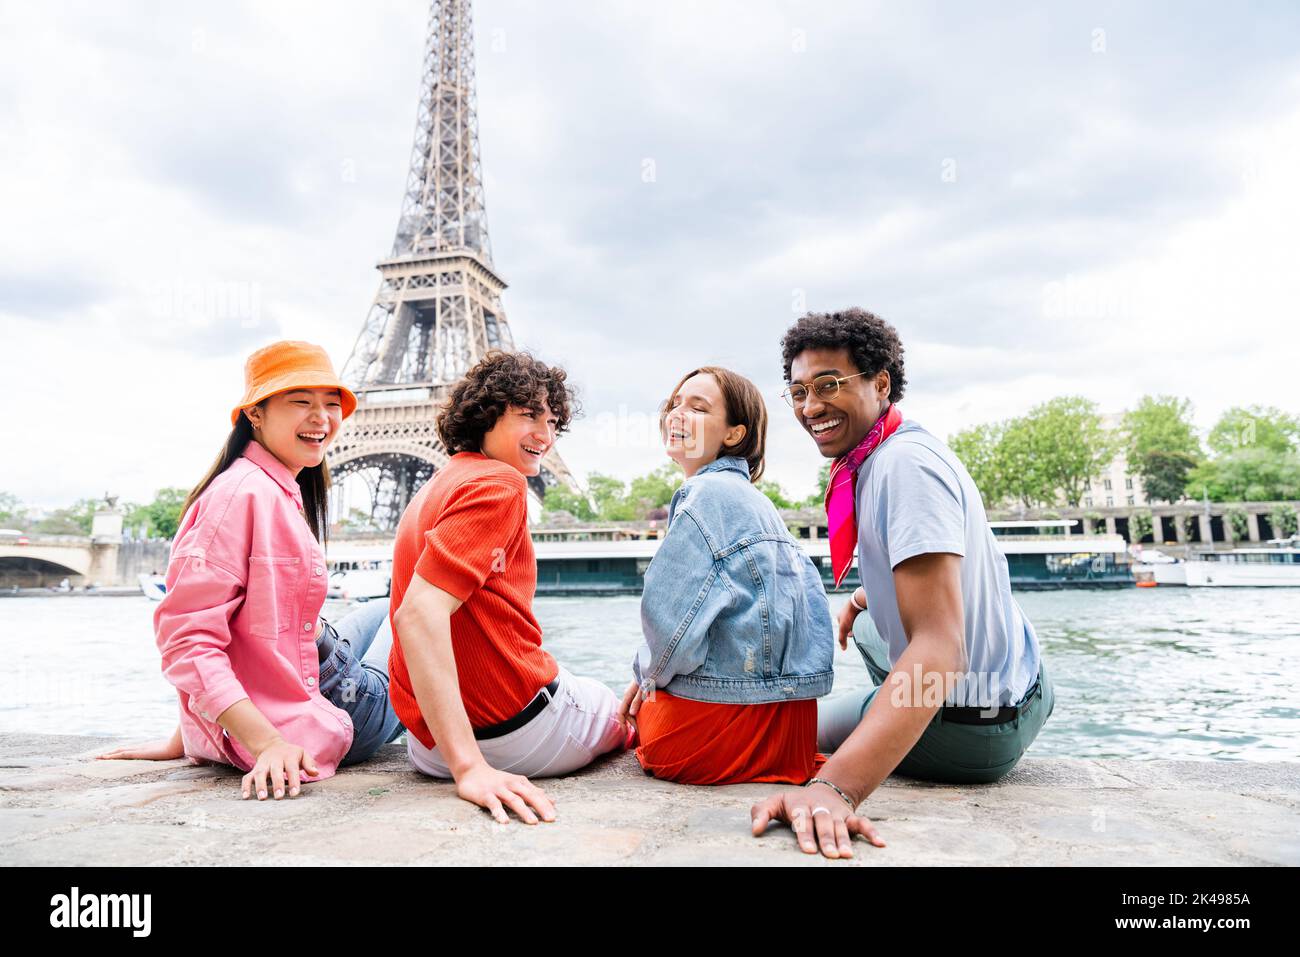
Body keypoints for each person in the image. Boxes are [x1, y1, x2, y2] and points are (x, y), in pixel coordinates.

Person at [751, 308, 1055, 858]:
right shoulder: (890, 451)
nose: (810, 406)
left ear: (881, 382)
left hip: (971, 731)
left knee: (777, 734)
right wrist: (867, 596)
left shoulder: (903, 468)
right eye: (797, 391)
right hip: (1028, 689)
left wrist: (835, 786)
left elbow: (940, 650)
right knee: (868, 625)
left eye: (828, 385)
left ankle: (897, 729)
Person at [96, 340, 404, 799]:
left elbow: (234, 633)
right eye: (301, 402)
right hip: (336, 712)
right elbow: (189, 640)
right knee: (424, 612)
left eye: (331, 403)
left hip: (314, 675)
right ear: (255, 414)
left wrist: (190, 735)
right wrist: (269, 743)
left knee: (388, 606)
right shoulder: (241, 496)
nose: (322, 417)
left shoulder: (270, 487)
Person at [387, 350, 632, 825]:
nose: (546, 434)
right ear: (486, 414)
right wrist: (470, 769)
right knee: (628, 711)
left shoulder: (437, 485)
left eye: (554, 419)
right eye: (528, 415)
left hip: (425, 747)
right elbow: (417, 615)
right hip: (510, 738)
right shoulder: (499, 482)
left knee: (577, 684)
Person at [618, 366, 834, 784]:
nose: (676, 415)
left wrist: (646, 677)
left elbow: (670, 630)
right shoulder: (760, 505)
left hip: (712, 740)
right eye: (673, 404)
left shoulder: (705, 496)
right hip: (789, 737)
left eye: (697, 408)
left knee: (602, 712)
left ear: (734, 434)